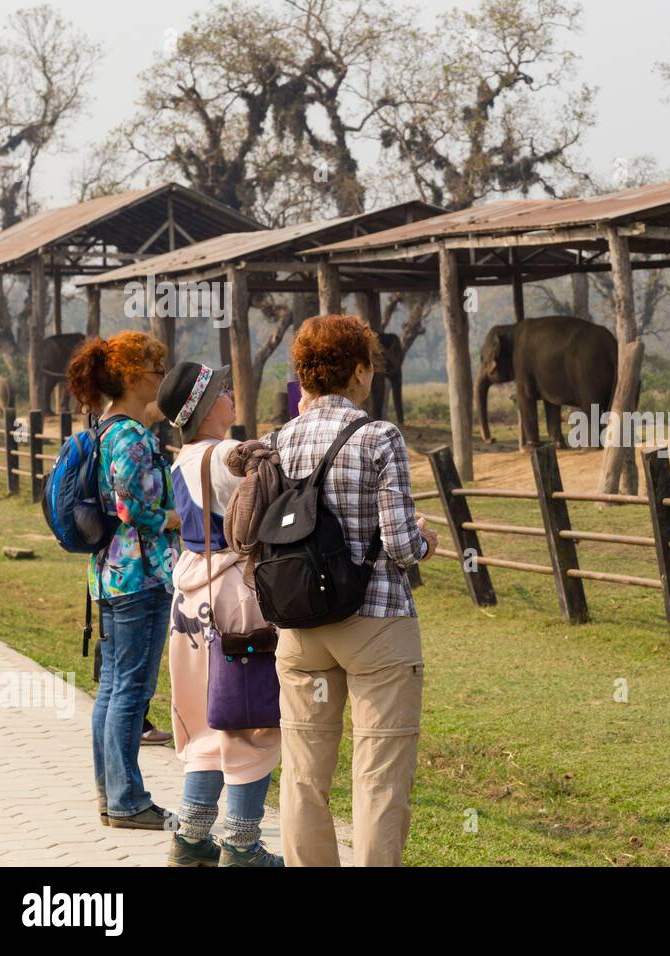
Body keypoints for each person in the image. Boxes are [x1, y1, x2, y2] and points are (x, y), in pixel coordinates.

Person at [267, 314, 437, 867]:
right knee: (379, 776)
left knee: (304, 776)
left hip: (299, 626)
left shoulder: (280, 440)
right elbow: (401, 545)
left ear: (304, 375)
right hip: (376, 625)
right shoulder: (379, 438)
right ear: (360, 371)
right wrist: (426, 540)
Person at [158, 362, 284, 867]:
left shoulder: (181, 458)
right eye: (223, 390)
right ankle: (241, 845)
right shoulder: (225, 457)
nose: (232, 396)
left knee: (208, 718)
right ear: (208, 406)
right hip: (234, 593)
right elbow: (271, 478)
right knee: (251, 718)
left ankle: (190, 840)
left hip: (190, 592)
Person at [66, 331, 180, 829]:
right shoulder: (132, 437)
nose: (162, 380)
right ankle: (129, 800)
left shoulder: (104, 430)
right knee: (132, 691)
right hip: (141, 576)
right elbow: (135, 508)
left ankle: (110, 794)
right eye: (157, 372)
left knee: (113, 689)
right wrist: (175, 519)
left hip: (109, 575)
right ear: (133, 378)